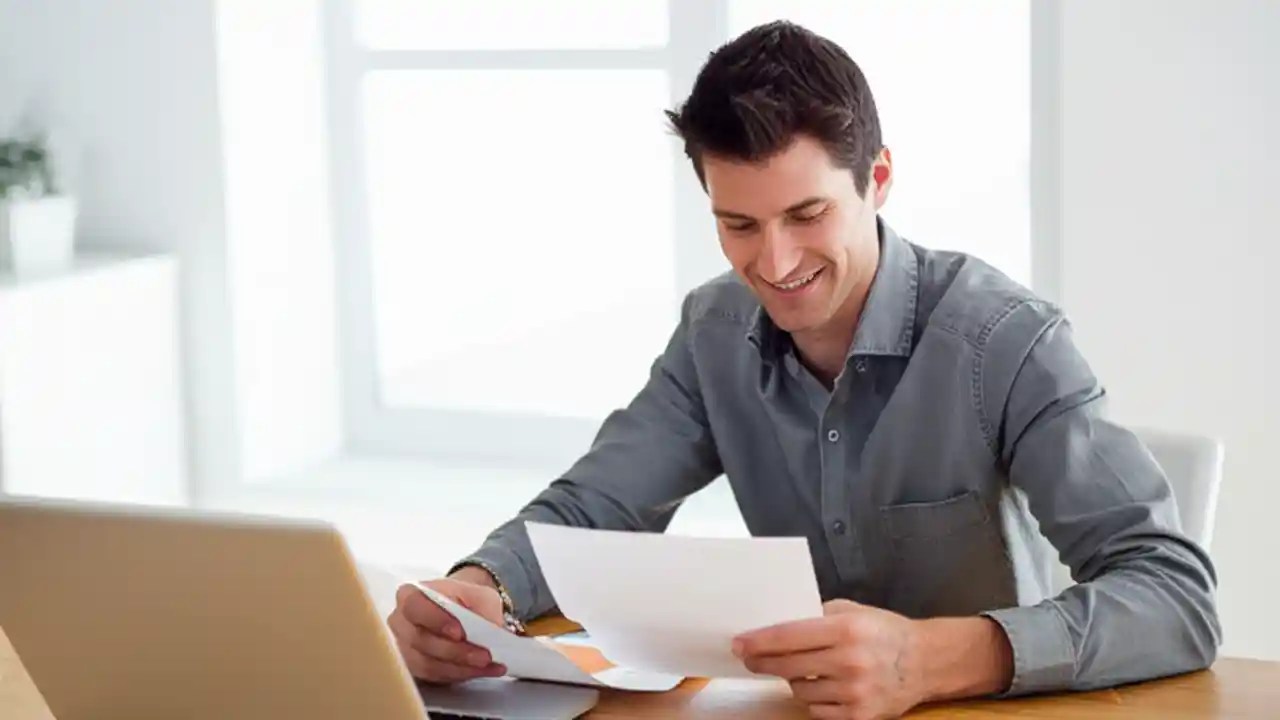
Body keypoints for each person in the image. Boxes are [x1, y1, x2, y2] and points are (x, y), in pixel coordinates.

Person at [387, 21, 1220, 719]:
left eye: (807, 214)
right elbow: (594, 507)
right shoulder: (712, 333)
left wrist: (926, 659)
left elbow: (1175, 595)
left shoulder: (1006, 340)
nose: (775, 263)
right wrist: (481, 589)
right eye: (739, 225)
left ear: (877, 180)